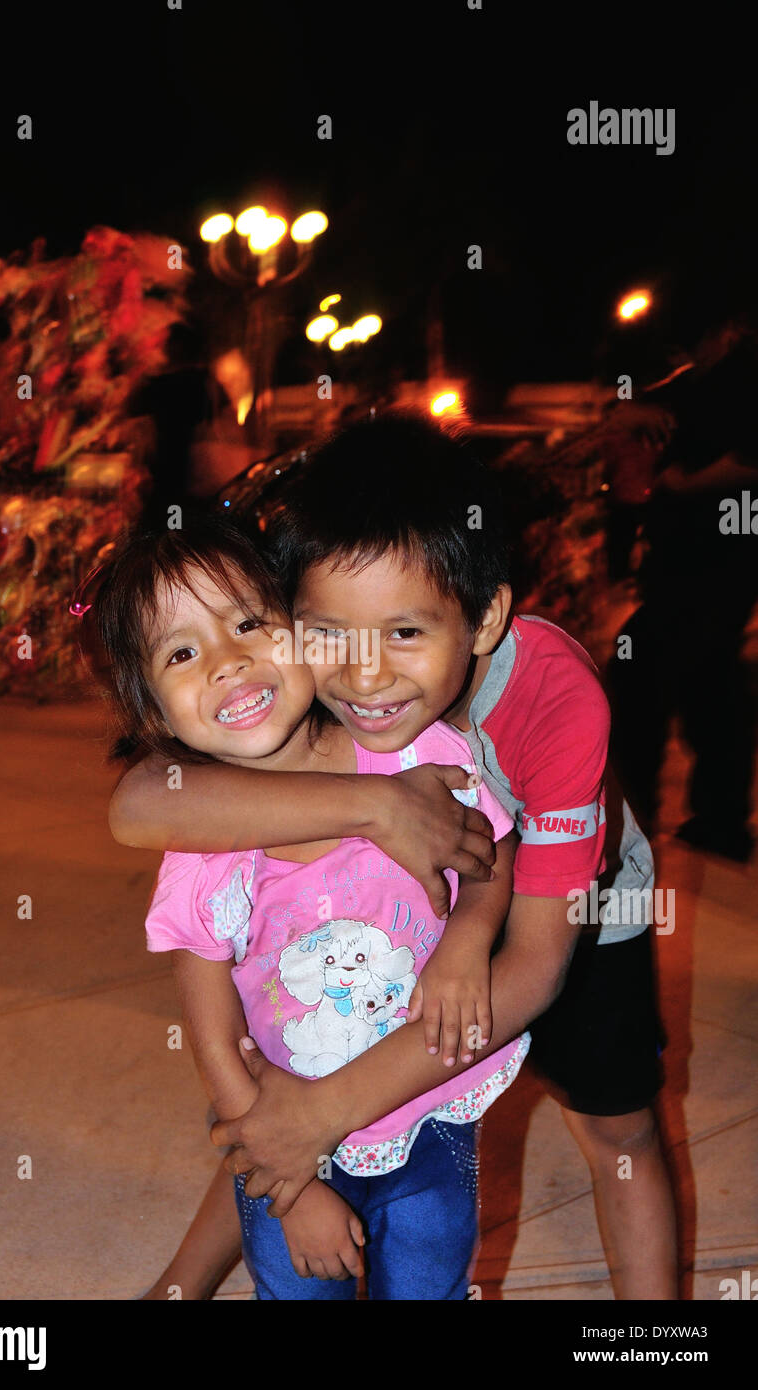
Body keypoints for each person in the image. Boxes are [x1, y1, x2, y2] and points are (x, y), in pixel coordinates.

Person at [111, 412, 678, 1301]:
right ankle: (179, 1285)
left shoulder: (554, 701)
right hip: (416, 897)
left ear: (484, 617)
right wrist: (378, 806)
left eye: (405, 635)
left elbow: (530, 969)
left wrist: (325, 1111)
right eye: (327, 632)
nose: (366, 680)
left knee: (615, 1126)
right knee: (291, 1099)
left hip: (568, 902)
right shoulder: (303, 676)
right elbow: (139, 802)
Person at [89, 511, 523, 1300]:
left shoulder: (410, 752)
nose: (227, 662)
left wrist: (468, 941)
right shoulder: (202, 854)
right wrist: (289, 1190)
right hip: (290, 1147)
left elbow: (490, 851)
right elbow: (216, 1045)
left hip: (429, 1114)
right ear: (152, 713)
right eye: (182, 652)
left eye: (249, 623)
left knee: (430, 1281)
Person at [607, 320, 758, 858]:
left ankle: (636, 808)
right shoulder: (697, 383)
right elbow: (627, 408)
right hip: (690, 561)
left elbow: (747, 462)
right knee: (708, 684)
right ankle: (718, 819)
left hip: (720, 559)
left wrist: (683, 484)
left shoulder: (743, 380)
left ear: (727, 333)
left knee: (644, 673)